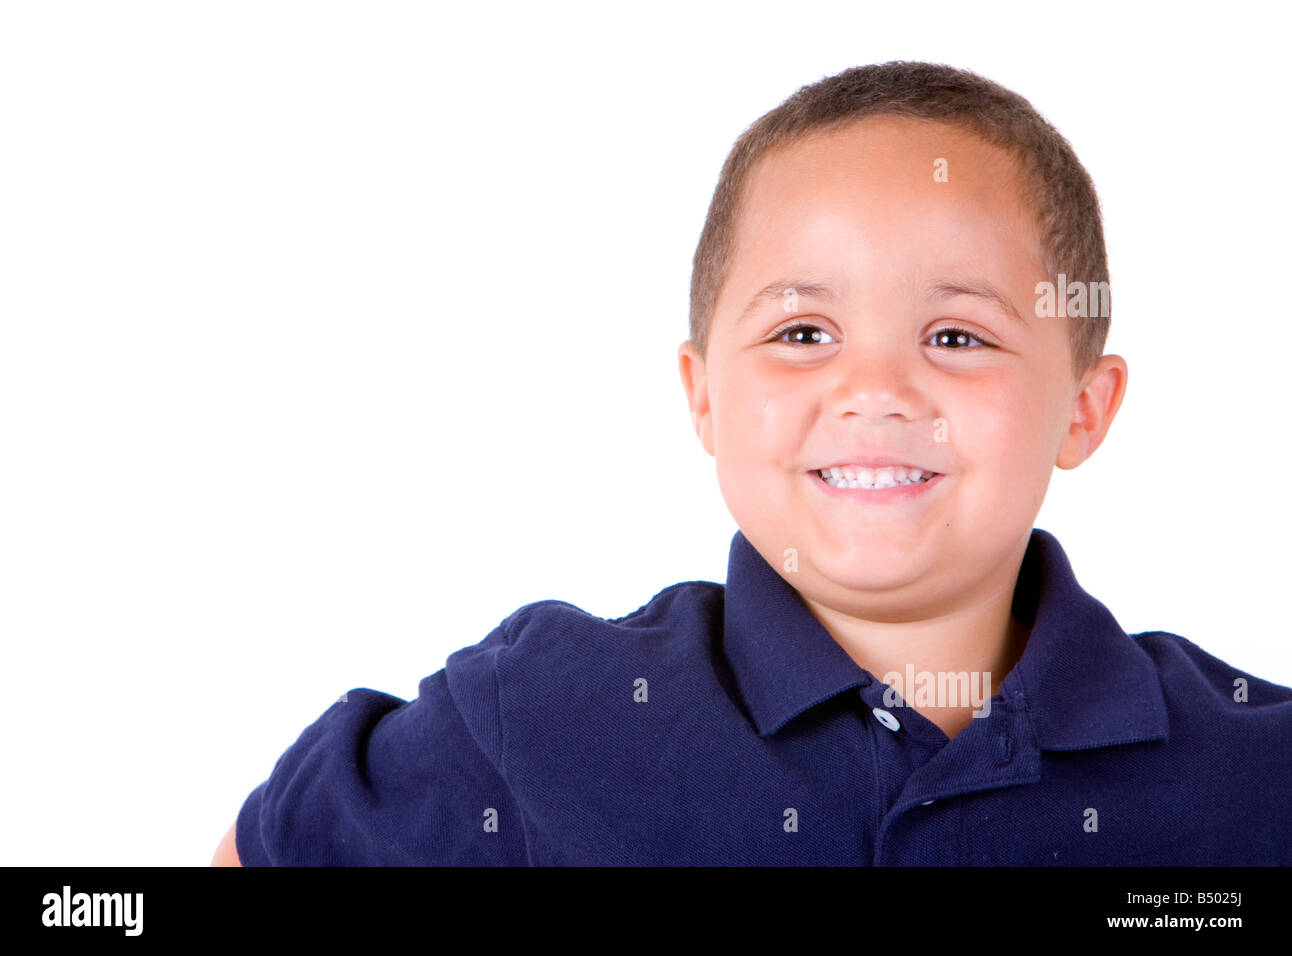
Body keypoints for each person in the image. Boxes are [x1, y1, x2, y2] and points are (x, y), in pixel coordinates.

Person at [212, 61, 1292, 866]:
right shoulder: (541, 712)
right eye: (802, 333)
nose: (875, 389)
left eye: (956, 336)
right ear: (703, 396)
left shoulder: (1257, 774)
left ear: (1084, 408)